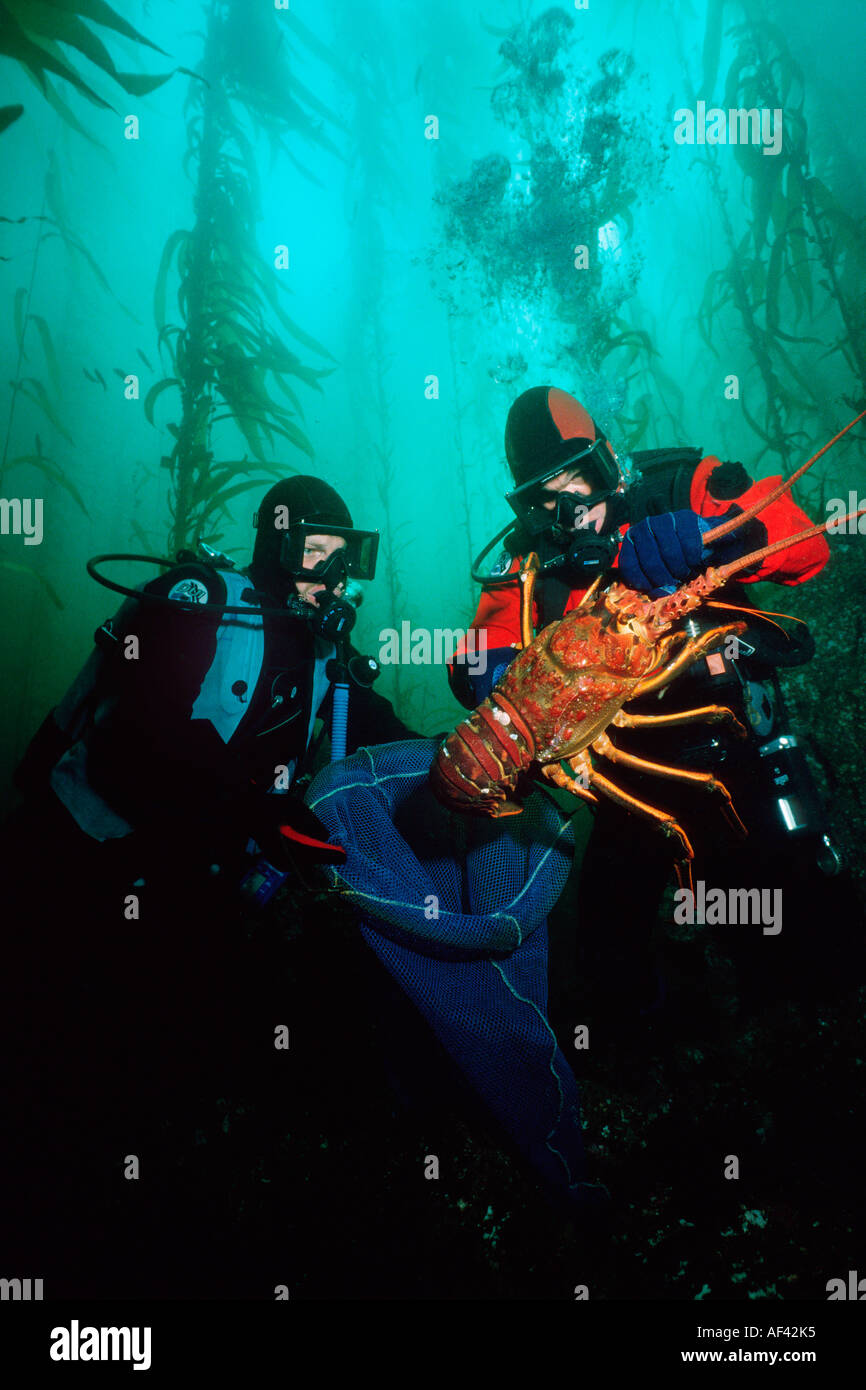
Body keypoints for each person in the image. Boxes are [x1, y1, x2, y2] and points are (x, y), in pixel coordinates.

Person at [0, 474, 417, 1289]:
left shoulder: (324, 660)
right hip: (75, 854)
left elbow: (381, 739)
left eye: (346, 559)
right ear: (275, 547)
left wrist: (477, 751)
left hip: (184, 880)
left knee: (161, 1060)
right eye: (315, 555)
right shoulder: (201, 607)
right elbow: (134, 750)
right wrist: (262, 818)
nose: (332, 578)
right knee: (36, 1045)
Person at [449, 385, 858, 1036]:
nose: (569, 506)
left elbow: (804, 541)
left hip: (737, 767)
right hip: (628, 798)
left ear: (609, 459)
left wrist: (720, 539)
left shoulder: (681, 486)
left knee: (803, 947)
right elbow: (477, 648)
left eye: (578, 477)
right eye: (543, 497)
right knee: (610, 985)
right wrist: (493, 679)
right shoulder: (527, 565)